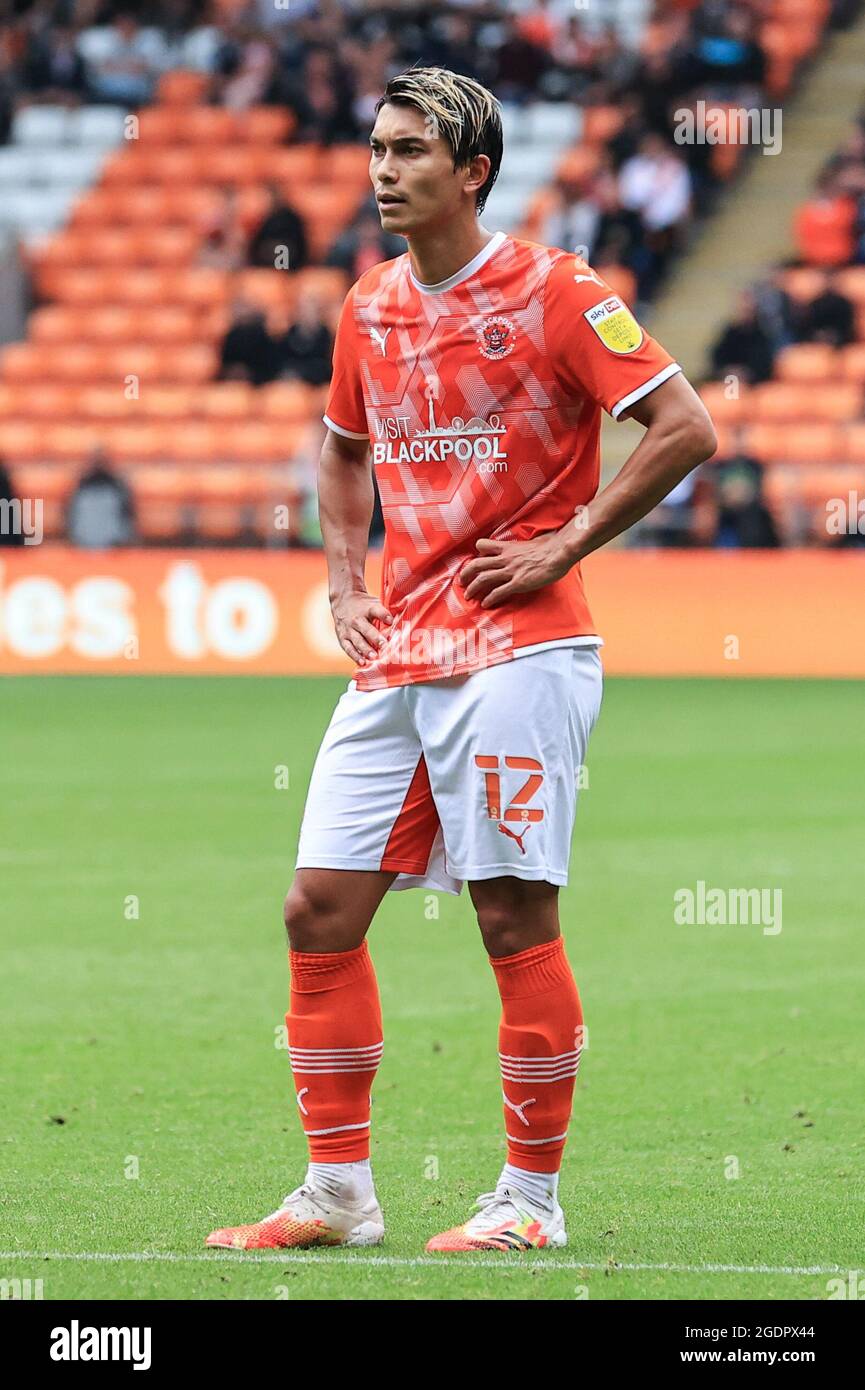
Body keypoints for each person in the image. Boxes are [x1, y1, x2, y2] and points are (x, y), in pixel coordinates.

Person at [206, 66, 715, 1257]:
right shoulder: (368, 305)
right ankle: (338, 1192)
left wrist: (564, 543)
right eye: (378, 148)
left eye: (410, 151)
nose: (383, 170)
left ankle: (529, 1202)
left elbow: (685, 425)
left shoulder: (555, 290)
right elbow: (340, 451)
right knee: (317, 909)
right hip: (403, 647)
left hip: (522, 648)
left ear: (472, 170)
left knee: (510, 916)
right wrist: (345, 580)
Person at [67, 448, 134, 549]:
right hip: (83, 543)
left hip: (113, 545)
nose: (98, 464)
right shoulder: (80, 488)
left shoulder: (117, 487)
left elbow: (127, 516)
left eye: (101, 461)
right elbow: (71, 517)